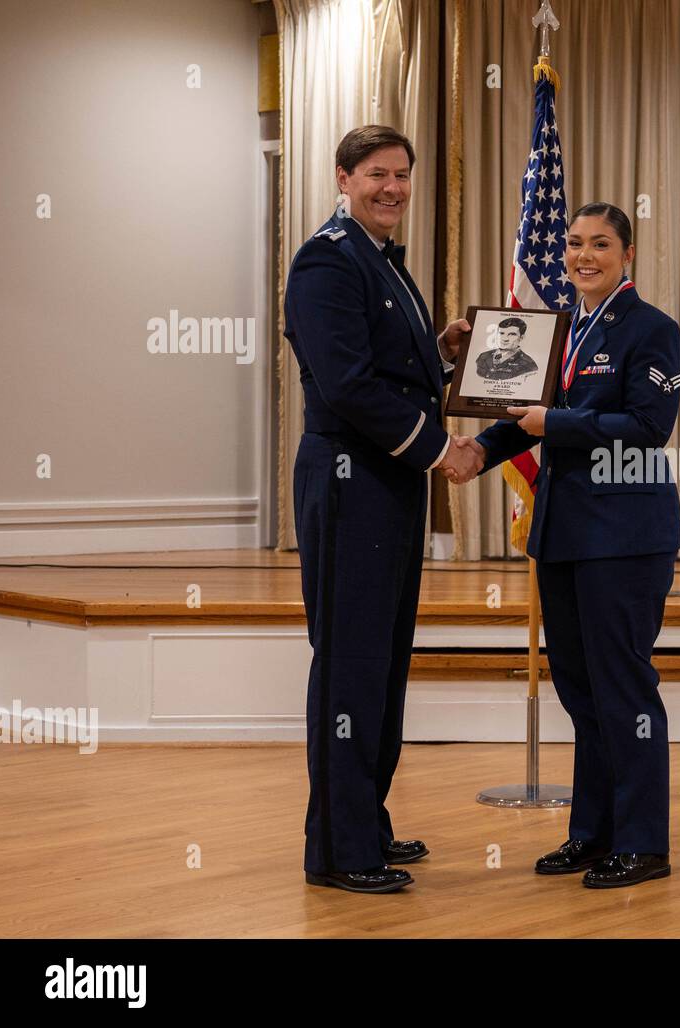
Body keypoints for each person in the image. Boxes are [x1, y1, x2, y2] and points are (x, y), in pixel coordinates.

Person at [450, 202, 680, 888]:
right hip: (564, 534)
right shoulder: (558, 333)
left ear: (627, 253)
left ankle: (643, 843)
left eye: (601, 244)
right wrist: (474, 454)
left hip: (625, 538)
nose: (585, 255)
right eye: (576, 243)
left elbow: (648, 425)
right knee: (582, 693)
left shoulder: (651, 329)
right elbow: (524, 421)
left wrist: (554, 418)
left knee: (624, 690)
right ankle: (592, 832)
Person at [284, 124, 481, 893]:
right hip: (347, 481)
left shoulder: (380, 260)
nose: (393, 186)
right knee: (350, 669)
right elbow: (347, 387)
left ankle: (366, 819)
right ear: (343, 177)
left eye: (402, 173)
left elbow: (388, 370)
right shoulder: (328, 259)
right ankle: (338, 848)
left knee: (384, 666)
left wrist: (443, 349)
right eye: (376, 174)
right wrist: (441, 451)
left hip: (383, 483)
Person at [475, 317, 539, 380]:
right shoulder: (483, 356)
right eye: (501, 333)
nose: (504, 339)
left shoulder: (528, 364)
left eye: (512, 334)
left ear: (521, 338)